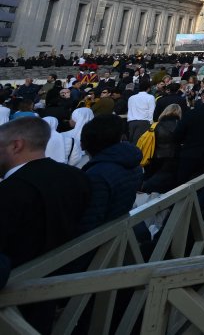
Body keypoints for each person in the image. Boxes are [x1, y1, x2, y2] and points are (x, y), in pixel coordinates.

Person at [0, 117, 91, 331]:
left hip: (14, 293)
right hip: (56, 284)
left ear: (16, 145)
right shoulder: (76, 177)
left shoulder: (10, 191)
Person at [77, 115, 144, 234]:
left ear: (85, 144)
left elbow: (89, 223)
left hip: (103, 240)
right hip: (120, 228)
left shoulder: (97, 175)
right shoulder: (132, 164)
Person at [142, 104, 183, 194]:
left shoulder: (156, 125)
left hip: (156, 157)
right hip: (175, 158)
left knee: (153, 186)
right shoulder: (181, 124)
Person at [126, 80, 156, 145]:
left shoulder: (131, 97)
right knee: (140, 144)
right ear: (148, 88)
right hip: (144, 122)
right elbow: (151, 111)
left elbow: (129, 109)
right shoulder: (150, 97)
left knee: (132, 143)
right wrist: (151, 123)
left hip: (131, 123)